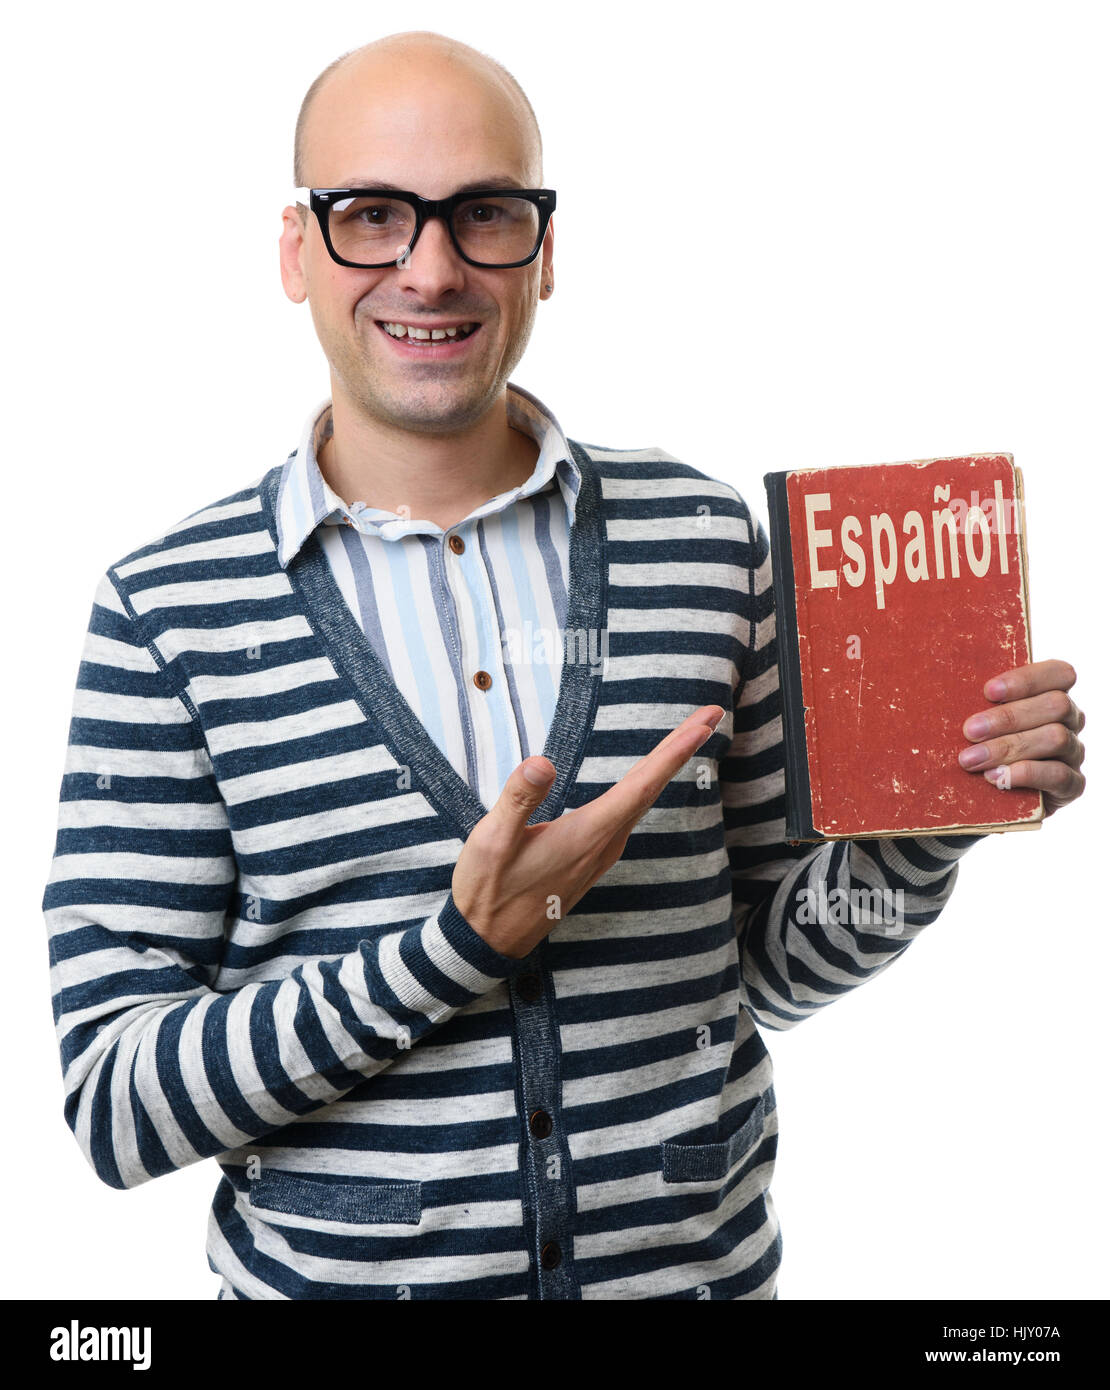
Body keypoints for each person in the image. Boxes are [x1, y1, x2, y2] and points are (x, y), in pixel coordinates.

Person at [42, 30, 1086, 1301]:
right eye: (372, 214)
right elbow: (115, 1104)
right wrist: (456, 943)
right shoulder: (170, 611)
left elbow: (762, 965)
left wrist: (928, 820)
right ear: (296, 250)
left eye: (484, 213)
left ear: (545, 247)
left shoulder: (703, 544)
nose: (430, 271)